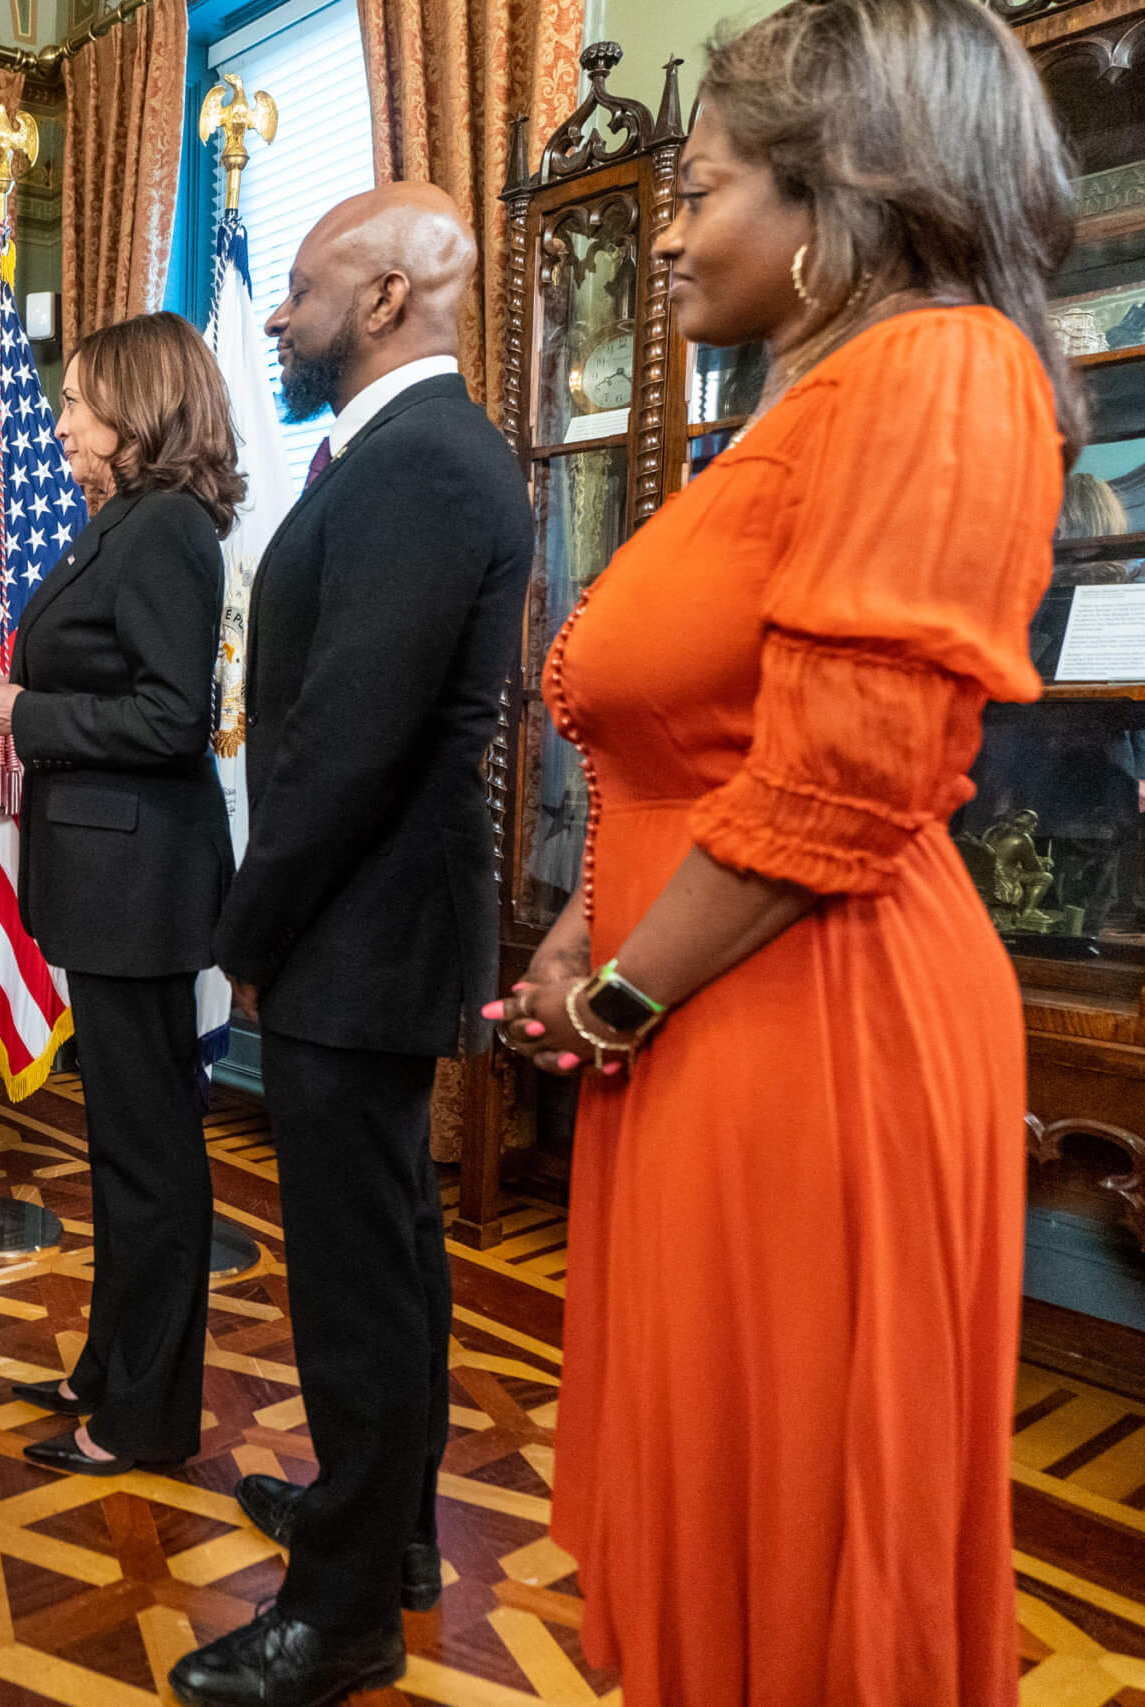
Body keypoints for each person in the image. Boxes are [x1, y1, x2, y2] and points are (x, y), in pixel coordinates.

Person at [494, 1, 1076, 1699]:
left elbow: (839, 783)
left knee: (805, 1523)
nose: (666, 232)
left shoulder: (942, 372)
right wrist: (578, 949)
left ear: (839, 198)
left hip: (812, 1024)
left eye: (706, 187)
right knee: (723, 1492)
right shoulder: (796, 404)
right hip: (706, 1008)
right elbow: (693, 736)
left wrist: (611, 997)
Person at [165, 185, 529, 1707]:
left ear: (383, 300)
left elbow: (343, 748)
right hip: (363, 931)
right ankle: (382, 1533)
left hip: (357, 933)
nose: (279, 315)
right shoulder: (405, 453)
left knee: (357, 1278)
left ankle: (343, 1615)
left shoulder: (429, 465)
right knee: (384, 1252)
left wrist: (242, 933)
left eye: (302, 291)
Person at [0, 310, 240, 1476]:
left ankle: (146, 1418)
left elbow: (173, 721)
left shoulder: (165, 528)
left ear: (137, 406)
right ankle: (107, 1367)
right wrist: (25, 694)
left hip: (141, 888)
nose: (60, 421)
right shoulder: (115, 525)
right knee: (119, 1148)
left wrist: (27, 712)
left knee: (149, 1161)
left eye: (74, 401)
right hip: (107, 879)